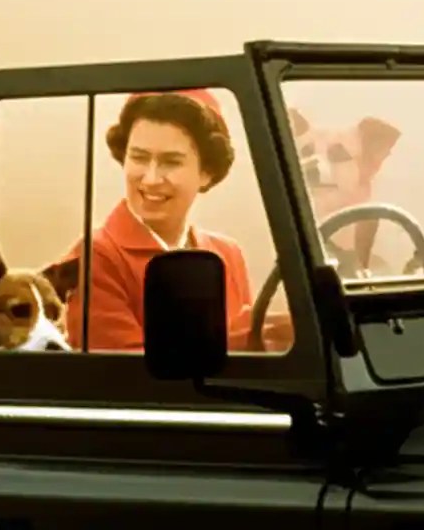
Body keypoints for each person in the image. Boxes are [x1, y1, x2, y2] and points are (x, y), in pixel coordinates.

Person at [42, 88, 293, 353]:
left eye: (171, 162)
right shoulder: (95, 257)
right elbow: (121, 376)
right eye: (139, 157)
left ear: (206, 172)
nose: (150, 178)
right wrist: (245, 339)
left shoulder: (227, 253)